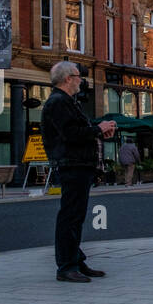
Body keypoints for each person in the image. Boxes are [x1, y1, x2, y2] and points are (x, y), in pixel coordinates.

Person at [43, 62, 115, 283]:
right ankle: (66, 266)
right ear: (67, 79)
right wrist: (98, 129)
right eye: (78, 77)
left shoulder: (66, 102)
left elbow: (77, 131)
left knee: (75, 216)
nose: (81, 81)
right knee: (70, 216)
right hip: (71, 165)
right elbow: (71, 134)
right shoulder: (58, 102)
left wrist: (99, 131)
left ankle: (75, 260)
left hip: (78, 164)